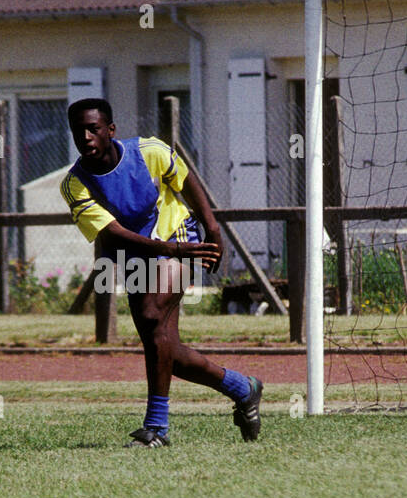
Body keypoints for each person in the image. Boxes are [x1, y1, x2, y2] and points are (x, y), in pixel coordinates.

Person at [61, 97, 263, 447]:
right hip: (138, 254)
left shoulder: (149, 151)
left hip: (177, 233)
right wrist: (170, 251)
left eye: (94, 129)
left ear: (110, 130)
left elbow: (186, 181)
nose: (87, 137)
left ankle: (156, 429)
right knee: (165, 349)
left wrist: (212, 230)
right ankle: (242, 388)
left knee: (153, 316)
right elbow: (112, 233)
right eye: (79, 131)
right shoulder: (74, 184)